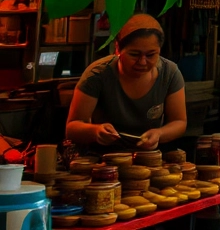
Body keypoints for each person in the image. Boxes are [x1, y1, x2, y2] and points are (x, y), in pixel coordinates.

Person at [66, 14, 188, 149]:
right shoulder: (97, 74)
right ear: (118, 48)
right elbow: (72, 127)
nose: (142, 62)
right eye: (134, 54)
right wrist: (95, 131)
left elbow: (179, 121)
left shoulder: (169, 73)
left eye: (151, 55)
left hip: (149, 156)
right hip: (104, 156)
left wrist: (159, 134)